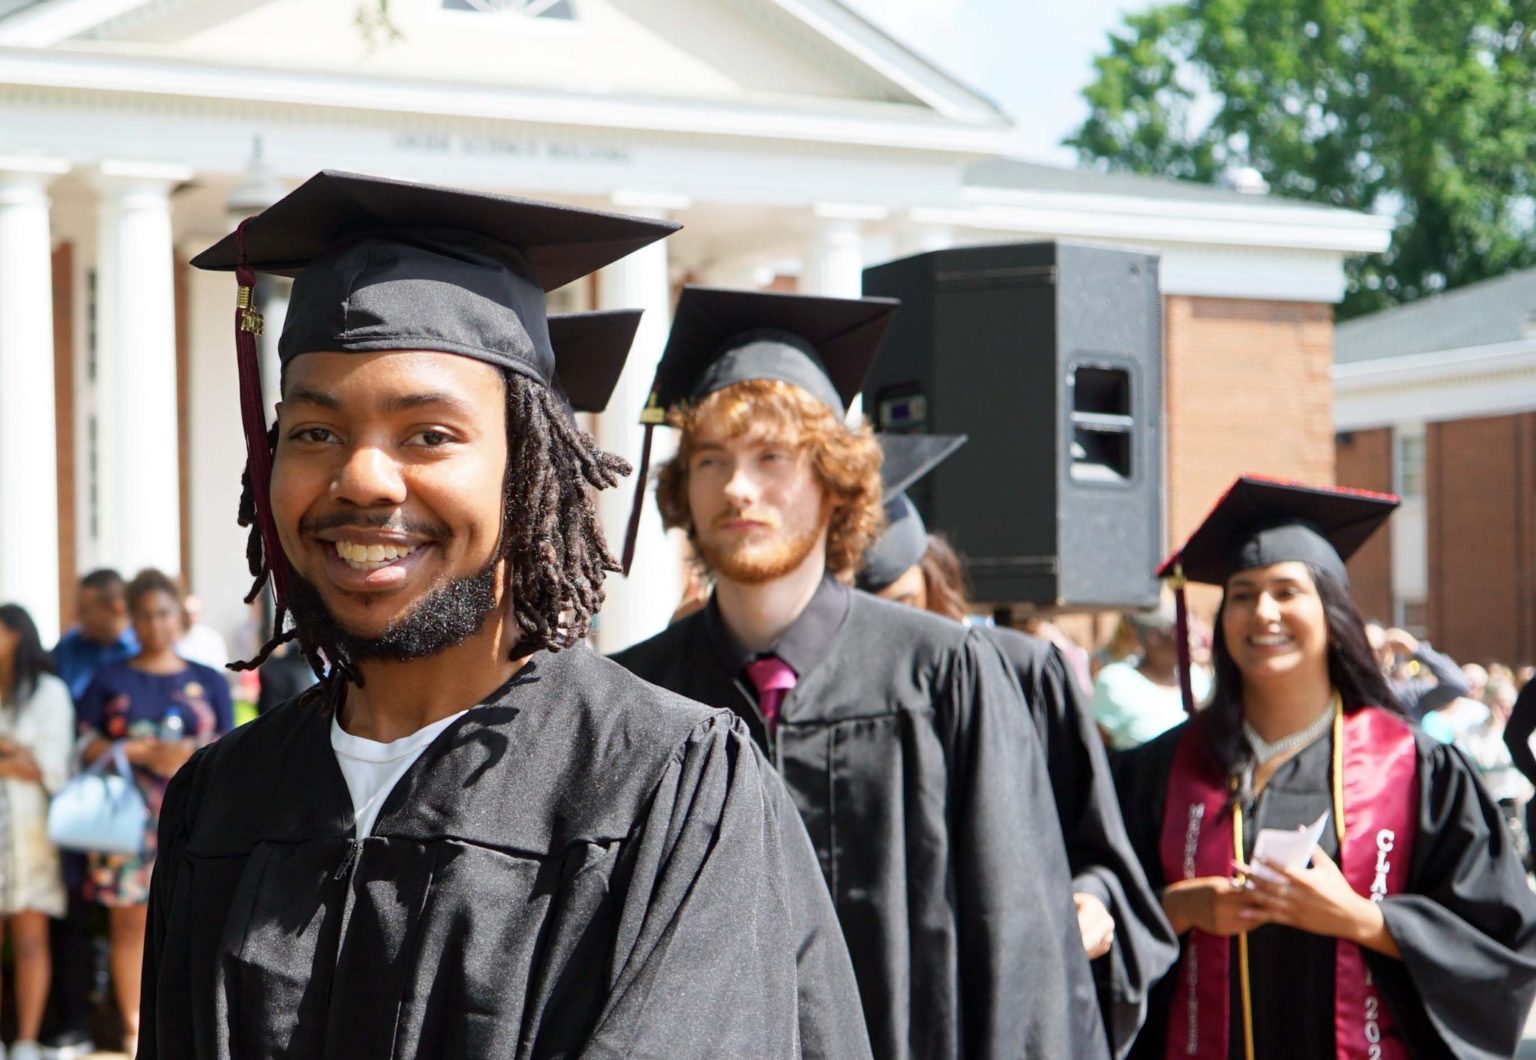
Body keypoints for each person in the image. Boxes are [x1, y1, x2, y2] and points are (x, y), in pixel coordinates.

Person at [142, 172, 869, 1058]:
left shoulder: (664, 787)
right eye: (315, 432)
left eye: (429, 434)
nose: (363, 477)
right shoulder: (221, 801)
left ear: (529, 469)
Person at [614, 286, 1104, 1059]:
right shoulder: (632, 701)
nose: (738, 487)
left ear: (834, 482)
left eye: (771, 458)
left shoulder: (946, 676)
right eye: (712, 460)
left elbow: (1022, 959)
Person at [1112, 476, 1536, 1059]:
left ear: (1331, 610)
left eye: (1287, 591)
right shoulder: (1160, 770)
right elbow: (1096, 896)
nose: (1263, 613)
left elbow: (1500, 940)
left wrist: (1364, 921)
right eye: (1242, 594)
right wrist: (1179, 909)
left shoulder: (1418, 770)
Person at [852, 433, 1177, 1058]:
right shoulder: (807, 701)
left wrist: (1092, 899)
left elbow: (1098, 851)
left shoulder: (1025, 674)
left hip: (995, 1008)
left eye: (900, 606)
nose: (885, 635)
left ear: (932, 580)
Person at [76, 569, 233, 1057]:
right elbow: (83, 744)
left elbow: (234, 747)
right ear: (132, 620)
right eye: (143, 616)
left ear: (178, 616)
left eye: (162, 613)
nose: (154, 624)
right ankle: (131, 1027)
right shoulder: (110, 678)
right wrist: (135, 750)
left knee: (199, 918)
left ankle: (187, 1028)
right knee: (129, 924)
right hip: (127, 817)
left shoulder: (207, 678)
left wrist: (189, 751)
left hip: (197, 816)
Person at [46, 568, 138, 1060]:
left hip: (133, 807)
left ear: (115, 608)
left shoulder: (136, 653)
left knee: (132, 920)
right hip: (79, 801)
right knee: (73, 913)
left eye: (87, 608)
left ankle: (130, 1022)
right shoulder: (68, 649)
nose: (78, 618)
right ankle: (75, 1020)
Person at [0, 605, 74, 1060]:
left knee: (30, 938)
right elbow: (28, 761)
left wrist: (13, 753)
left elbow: (53, 767)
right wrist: (16, 753)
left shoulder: (48, 692)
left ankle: (26, 1040)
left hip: (30, 834)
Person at [1092, 602, 1211, 750]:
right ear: (1153, 636)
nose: (1194, 641)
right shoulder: (1116, 682)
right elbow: (1096, 750)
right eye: (1183, 631)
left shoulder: (1199, 679)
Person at [1365, 623, 1470, 720]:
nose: (1372, 655)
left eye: (1379, 649)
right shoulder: (1351, 690)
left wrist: (1416, 648)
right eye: (1365, 648)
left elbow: (1457, 684)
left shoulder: (1408, 693)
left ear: (1390, 654)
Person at [172, 595, 229, 673]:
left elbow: (220, 668)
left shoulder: (213, 638)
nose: (190, 618)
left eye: (194, 614)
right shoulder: (172, 639)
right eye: (187, 613)